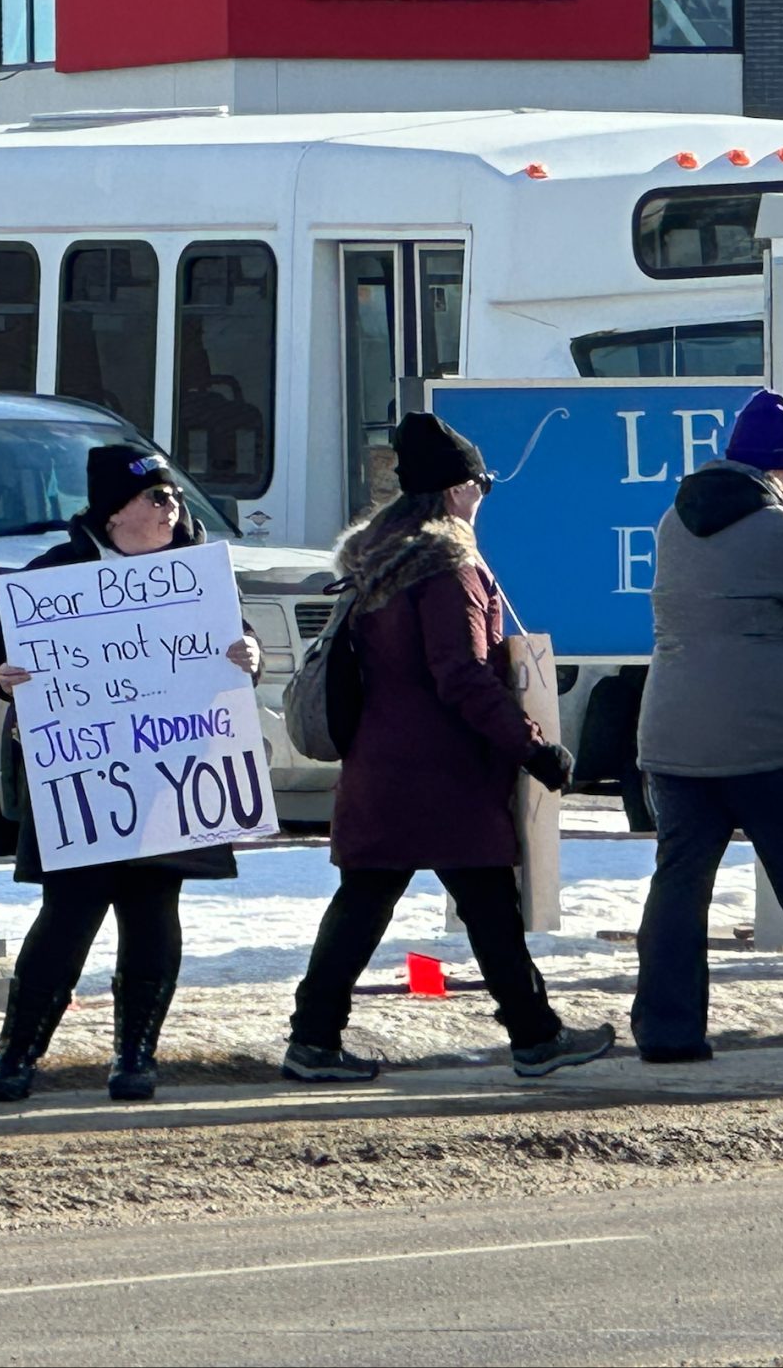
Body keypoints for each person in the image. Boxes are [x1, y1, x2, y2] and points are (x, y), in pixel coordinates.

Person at [282, 412, 615, 1083]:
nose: (484, 495)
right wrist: (533, 748)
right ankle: (534, 1034)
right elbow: (460, 674)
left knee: (370, 901)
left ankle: (314, 1037)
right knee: (484, 902)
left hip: (382, 766)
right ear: (458, 490)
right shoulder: (448, 569)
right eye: (482, 483)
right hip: (443, 773)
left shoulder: (381, 562)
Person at [0, 447, 262, 1103]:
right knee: (67, 915)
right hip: (83, 781)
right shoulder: (57, 573)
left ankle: (136, 1055)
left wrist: (249, 653)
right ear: (114, 512)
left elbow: (237, 645)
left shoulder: (197, 574)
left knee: (153, 912)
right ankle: (17, 1054)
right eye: (157, 496)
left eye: (176, 496)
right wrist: (4, 675)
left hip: (171, 775)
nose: (173, 508)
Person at [636, 390, 783, 1060]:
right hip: (767, 738)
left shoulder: (673, 521)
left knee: (679, 882)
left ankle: (667, 1032)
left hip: (673, 737)